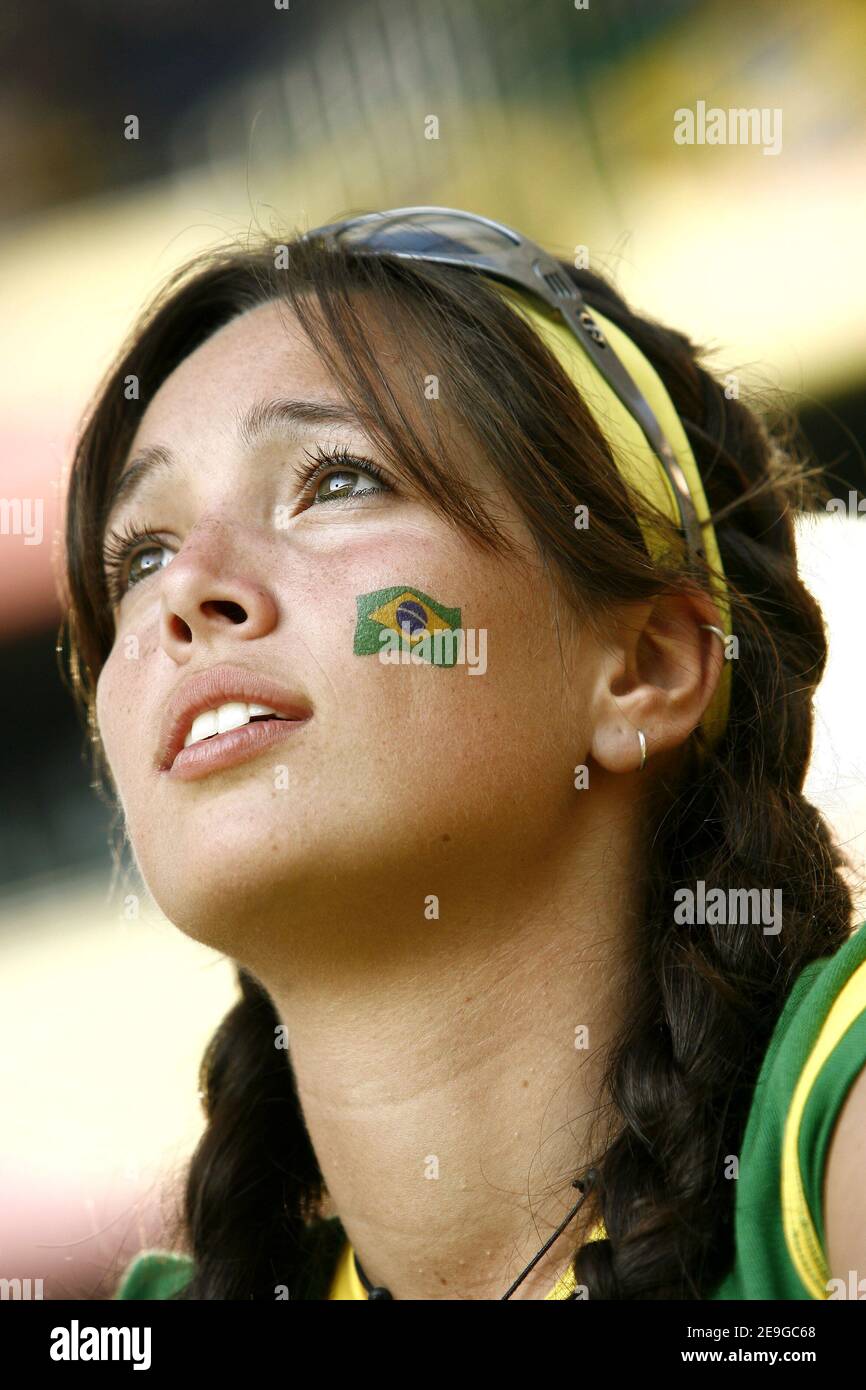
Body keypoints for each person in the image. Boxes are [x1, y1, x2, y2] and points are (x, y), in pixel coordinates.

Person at [61, 209, 866, 1300]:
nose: (184, 595)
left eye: (335, 481)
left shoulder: (830, 1143)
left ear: (643, 666)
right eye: (140, 552)